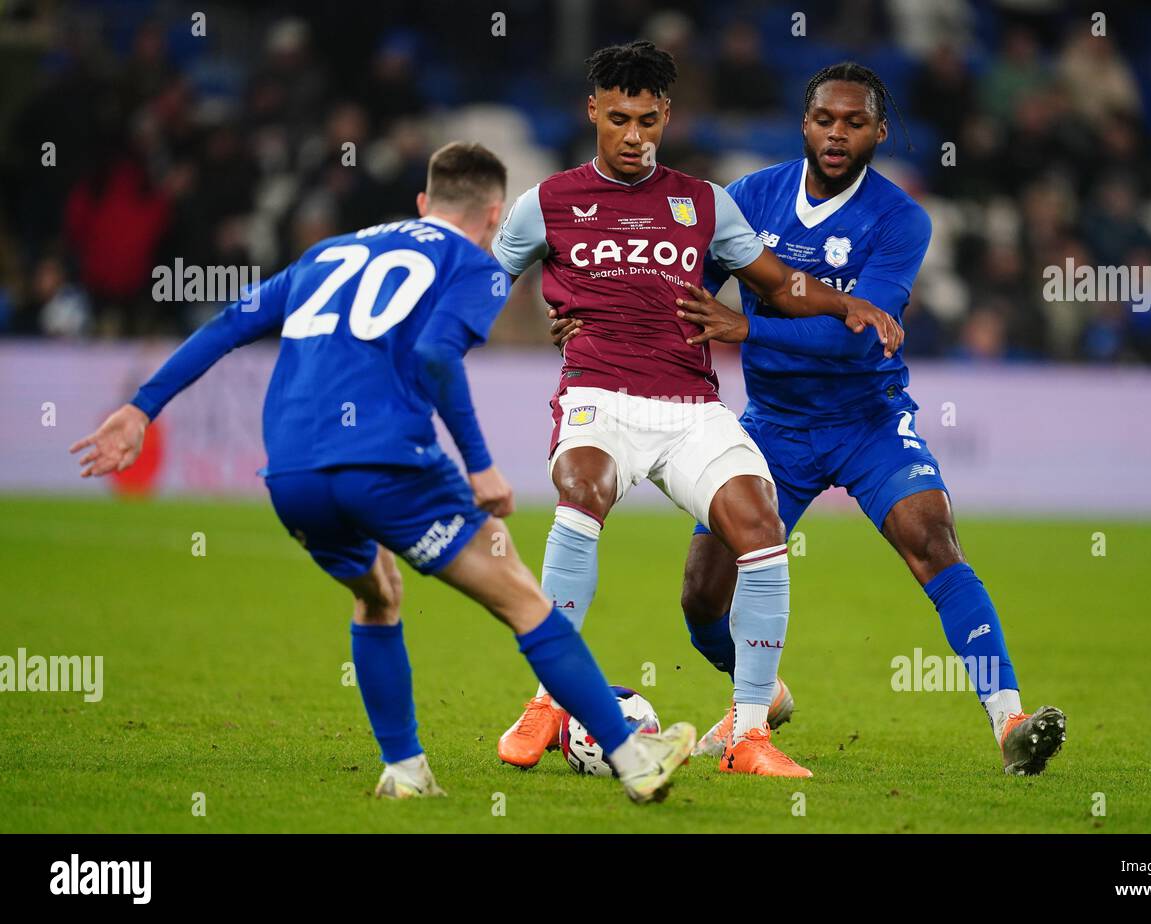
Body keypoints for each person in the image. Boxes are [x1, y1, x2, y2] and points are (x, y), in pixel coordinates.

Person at [70, 141, 696, 803]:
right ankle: (633, 757)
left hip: (292, 474)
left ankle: (404, 771)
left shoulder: (327, 254)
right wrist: (480, 467)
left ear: (423, 202)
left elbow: (230, 323)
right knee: (523, 600)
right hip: (388, 465)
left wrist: (141, 409)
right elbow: (435, 356)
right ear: (492, 214)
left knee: (377, 594)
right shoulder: (475, 266)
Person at [557, 63, 1067, 776]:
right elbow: (683, 297)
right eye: (825, 118)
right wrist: (596, 322)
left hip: (868, 418)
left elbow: (853, 333)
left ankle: (1009, 718)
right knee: (702, 597)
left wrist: (746, 329)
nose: (837, 133)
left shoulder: (900, 219)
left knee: (932, 538)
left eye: (855, 122)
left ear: (879, 133)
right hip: (774, 426)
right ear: (804, 122)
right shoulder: (749, 198)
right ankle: (758, 700)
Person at [492, 41, 901, 779]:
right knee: (582, 489)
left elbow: (779, 285)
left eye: (648, 120)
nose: (633, 137)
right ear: (593, 111)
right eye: (618, 119)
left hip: (689, 404)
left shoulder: (704, 202)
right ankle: (549, 699)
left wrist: (850, 302)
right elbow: (484, 288)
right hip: (598, 395)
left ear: (667, 116)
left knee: (761, 527)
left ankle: (749, 737)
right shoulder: (546, 202)